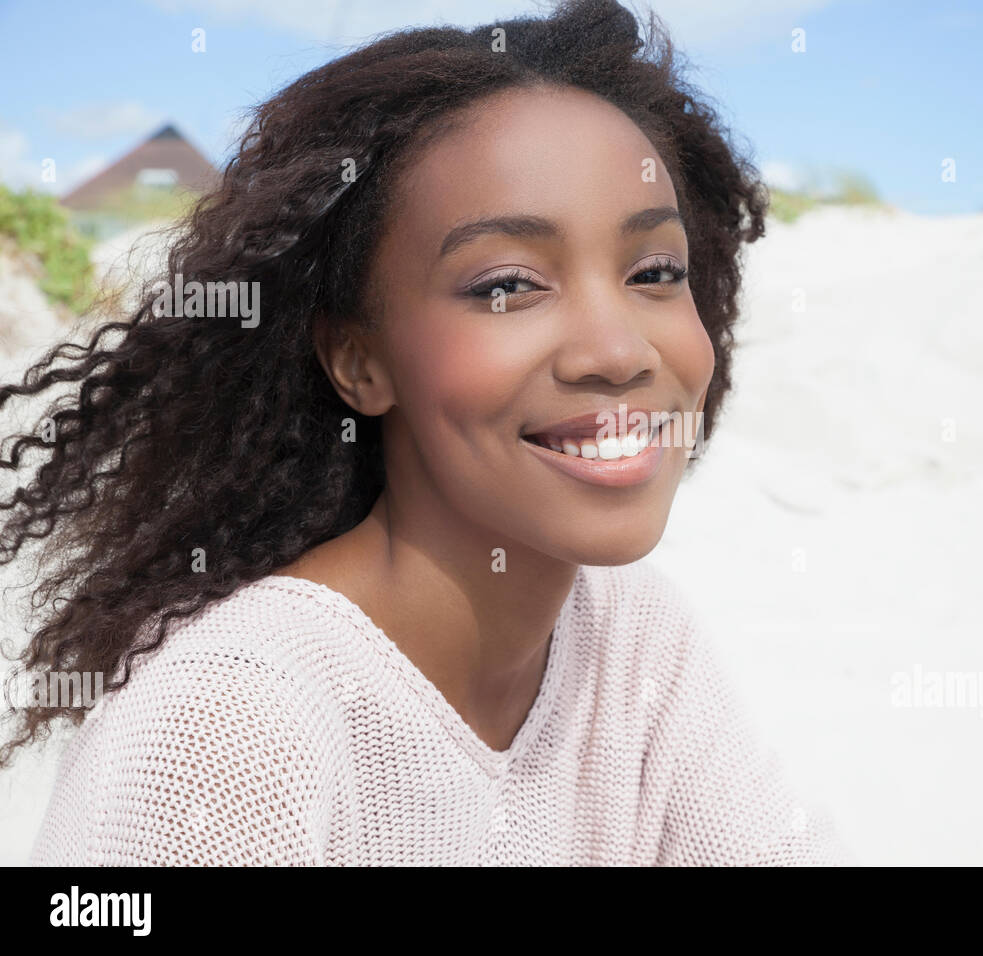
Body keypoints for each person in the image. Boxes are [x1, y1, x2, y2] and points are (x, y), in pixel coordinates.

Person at [3, 0, 853, 866]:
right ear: (359, 360)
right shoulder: (226, 732)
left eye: (655, 272)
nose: (616, 350)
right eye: (508, 285)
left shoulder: (634, 640)